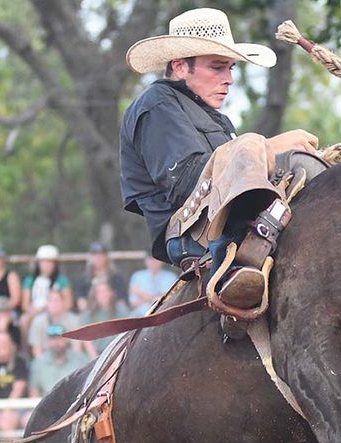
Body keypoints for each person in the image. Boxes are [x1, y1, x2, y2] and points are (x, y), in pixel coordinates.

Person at [120, 7, 318, 307]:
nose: (229, 79)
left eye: (231, 68)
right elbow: (186, 184)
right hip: (191, 234)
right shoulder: (157, 105)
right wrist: (270, 146)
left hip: (228, 218)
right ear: (180, 66)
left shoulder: (218, 120)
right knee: (250, 147)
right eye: (217, 67)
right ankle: (234, 272)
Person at [21, 245, 73, 332]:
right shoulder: (30, 280)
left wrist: (54, 310)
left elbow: (68, 303)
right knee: (24, 320)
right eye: (43, 262)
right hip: (35, 312)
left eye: (50, 262)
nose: (46, 265)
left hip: (57, 312)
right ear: (38, 263)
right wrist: (35, 312)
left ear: (55, 264)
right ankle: (27, 345)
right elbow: (25, 304)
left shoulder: (62, 280)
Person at [29, 325, 90, 397]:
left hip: (76, 403)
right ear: (47, 341)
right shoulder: (38, 363)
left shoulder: (80, 359)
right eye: (52, 339)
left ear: (67, 339)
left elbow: (89, 386)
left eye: (59, 338)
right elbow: (34, 391)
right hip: (47, 404)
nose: (56, 342)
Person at [74, 242, 128, 313]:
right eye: (95, 255)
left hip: (113, 314)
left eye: (101, 255)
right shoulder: (84, 279)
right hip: (91, 315)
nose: (98, 258)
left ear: (106, 257)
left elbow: (122, 301)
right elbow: (81, 302)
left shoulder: (117, 277)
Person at [80, 278, 129, 356]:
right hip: (98, 354)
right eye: (99, 292)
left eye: (105, 291)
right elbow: (86, 340)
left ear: (110, 293)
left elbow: (128, 332)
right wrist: (95, 359)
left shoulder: (121, 310)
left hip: (118, 352)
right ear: (94, 295)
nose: (103, 295)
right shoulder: (88, 314)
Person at [27, 288, 80, 358]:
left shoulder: (73, 320)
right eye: (50, 301)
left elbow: (76, 348)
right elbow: (36, 350)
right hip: (46, 360)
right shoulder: (38, 321)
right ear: (47, 304)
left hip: (68, 360)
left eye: (56, 300)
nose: (54, 304)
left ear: (63, 303)